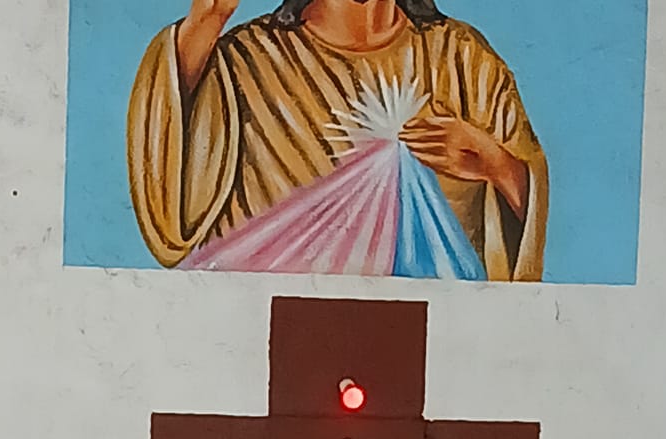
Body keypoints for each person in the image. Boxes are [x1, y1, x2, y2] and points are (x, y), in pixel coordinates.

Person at [129, 0, 547, 279]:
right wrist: (206, 20)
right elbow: (168, 211)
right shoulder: (246, 63)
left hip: (436, 356)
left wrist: (497, 165)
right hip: (261, 352)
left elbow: (524, 226)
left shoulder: (463, 61)